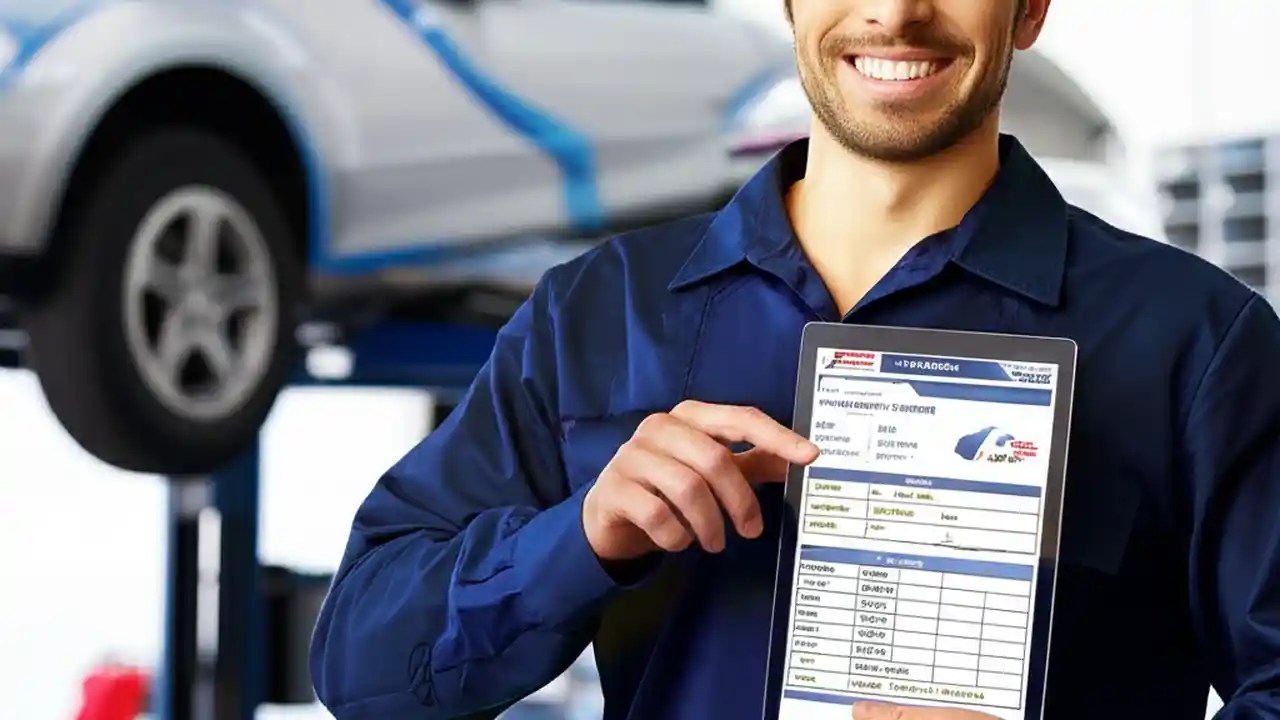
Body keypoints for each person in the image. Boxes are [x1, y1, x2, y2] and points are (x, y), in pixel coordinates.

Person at [310, 0, 1280, 717]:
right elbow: (363, 671)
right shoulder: (596, 313)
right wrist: (581, 539)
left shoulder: (1194, 344)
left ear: (1029, 9)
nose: (896, 12)